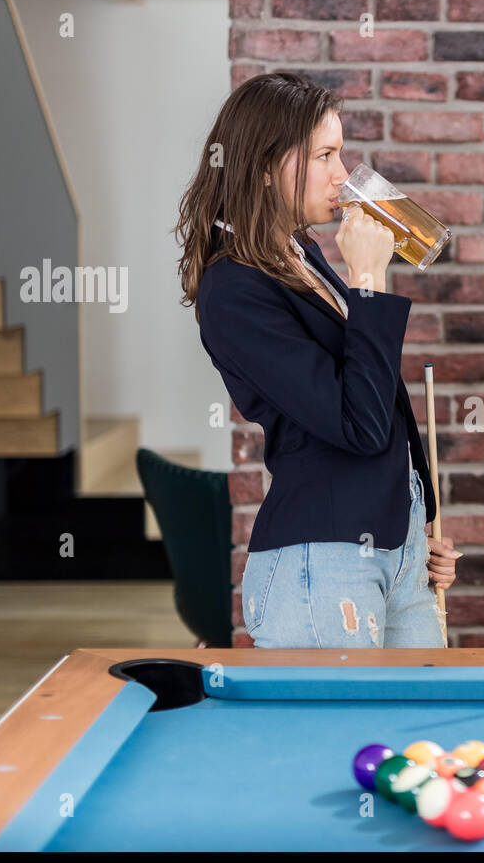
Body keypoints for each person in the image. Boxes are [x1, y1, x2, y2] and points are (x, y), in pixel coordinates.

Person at [176, 73, 460, 649]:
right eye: (325, 155)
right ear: (262, 165)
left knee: (415, 734)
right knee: (342, 738)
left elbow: (372, 395)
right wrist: (369, 282)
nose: (343, 175)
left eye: (341, 153)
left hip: (392, 546)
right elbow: (357, 425)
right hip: (321, 562)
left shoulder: (299, 253)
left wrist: (407, 522)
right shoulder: (233, 289)